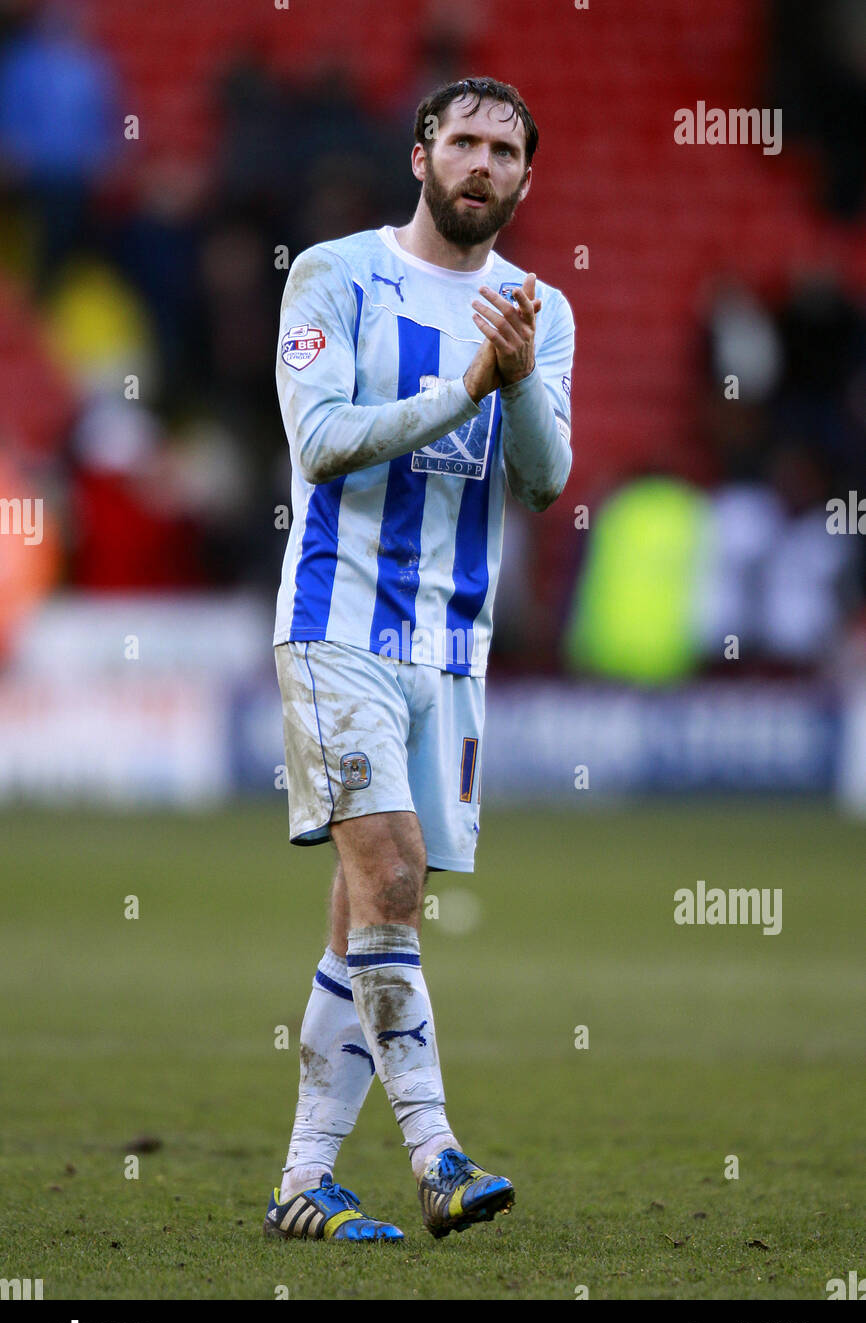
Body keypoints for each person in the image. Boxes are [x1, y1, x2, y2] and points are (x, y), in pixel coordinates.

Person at [263, 76, 574, 1243]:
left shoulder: (536, 308)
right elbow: (323, 439)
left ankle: (302, 1179)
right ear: (419, 154)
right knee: (391, 880)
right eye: (462, 142)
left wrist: (520, 377)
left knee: (368, 913)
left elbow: (542, 480)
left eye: (503, 150)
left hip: (451, 650)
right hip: (338, 623)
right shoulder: (336, 275)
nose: (480, 165)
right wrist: (466, 389)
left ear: (525, 178)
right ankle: (437, 1153)